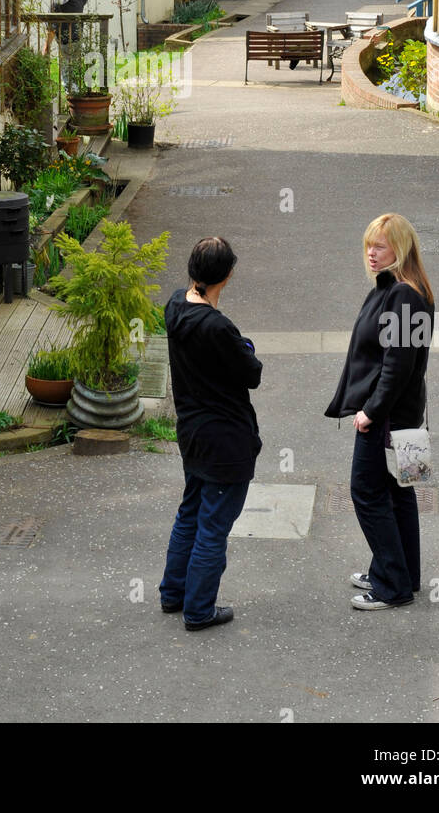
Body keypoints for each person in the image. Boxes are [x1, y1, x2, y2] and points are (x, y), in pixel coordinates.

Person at [325, 212, 434, 611]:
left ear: (399, 249)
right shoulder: (400, 288)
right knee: (396, 491)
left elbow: (398, 364)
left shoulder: (403, 294)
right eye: (369, 244)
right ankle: (404, 572)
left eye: (381, 246)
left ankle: (392, 585)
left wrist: (370, 411)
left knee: (367, 491)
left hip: (386, 413)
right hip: (396, 411)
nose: (371, 253)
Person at [159, 237, 263, 631]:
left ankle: (173, 593)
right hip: (226, 440)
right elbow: (251, 372)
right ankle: (199, 610)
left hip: (192, 432)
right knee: (213, 527)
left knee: (190, 513)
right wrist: (245, 345)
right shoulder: (218, 327)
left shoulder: (174, 305)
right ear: (228, 274)